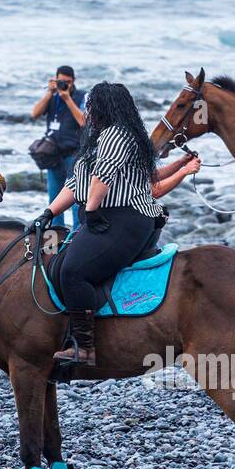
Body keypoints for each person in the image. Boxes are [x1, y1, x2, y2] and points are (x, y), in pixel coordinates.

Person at [30, 82, 200, 367]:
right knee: (60, 263)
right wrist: (48, 213)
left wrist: (92, 210)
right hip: (108, 218)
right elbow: (76, 184)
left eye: (91, 106)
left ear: (103, 107)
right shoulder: (103, 139)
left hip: (124, 220)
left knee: (73, 272)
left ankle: (85, 347)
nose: (87, 112)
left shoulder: (116, 134)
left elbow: (103, 176)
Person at [29, 66, 87, 229]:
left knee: (76, 198)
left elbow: (84, 122)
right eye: (61, 81)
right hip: (53, 155)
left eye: (68, 82)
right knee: (54, 201)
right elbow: (34, 114)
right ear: (55, 80)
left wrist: (67, 99)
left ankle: (76, 234)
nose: (65, 85)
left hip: (74, 154)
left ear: (73, 81)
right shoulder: (52, 97)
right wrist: (49, 93)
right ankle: (55, 235)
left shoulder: (81, 96)